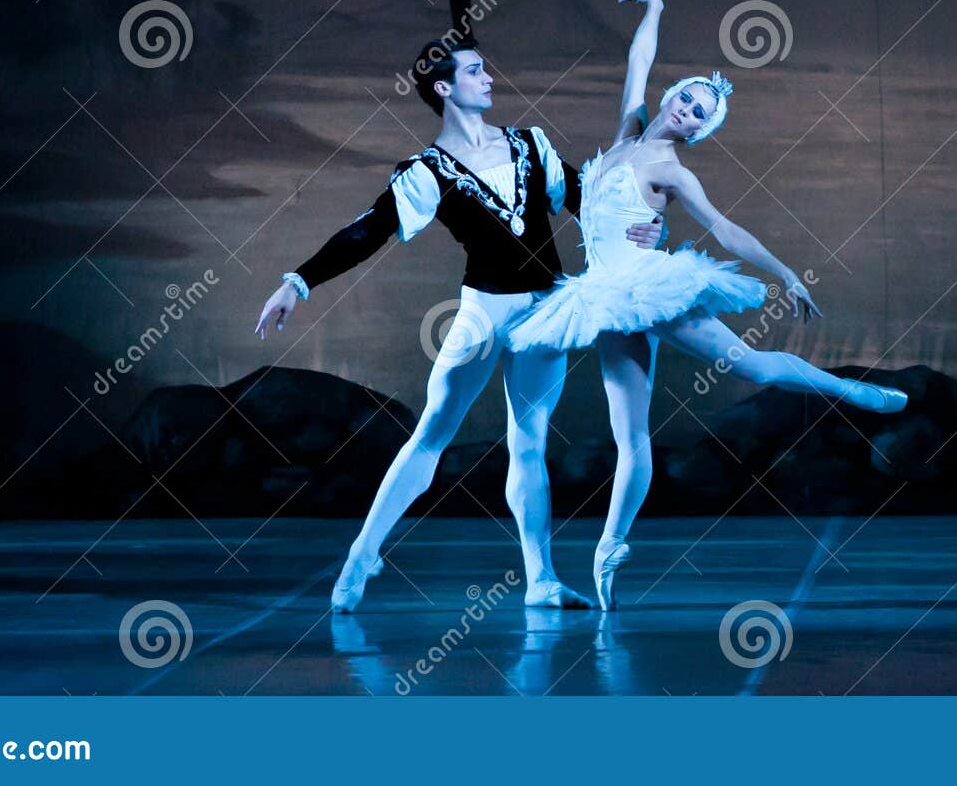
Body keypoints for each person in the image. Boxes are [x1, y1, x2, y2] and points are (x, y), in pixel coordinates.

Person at [505, 0, 908, 610]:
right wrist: (657, 9)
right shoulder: (626, 133)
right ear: (671, 97)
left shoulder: (673, 169)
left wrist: (785, 272)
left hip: (651, 287)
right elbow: (638, 63)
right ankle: (609, 547)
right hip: (606, 298)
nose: (687, 112)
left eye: (699, 114)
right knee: (629, 437)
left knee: (752, 367)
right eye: (687, 99)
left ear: (700, 132)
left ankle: (852, 391)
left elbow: (724, 228)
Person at [253, 35, 663, 612]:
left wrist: (644, 227)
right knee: (433, 432)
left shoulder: (529, 144)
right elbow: (366, 231)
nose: (489, 77)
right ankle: (362, 555)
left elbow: (589, 203)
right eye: (475, 71)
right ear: (444, 87)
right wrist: (298, 282)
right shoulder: (428, 171)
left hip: (549, 310)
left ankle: (541, 579)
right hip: (485, 312)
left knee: (530, 443)